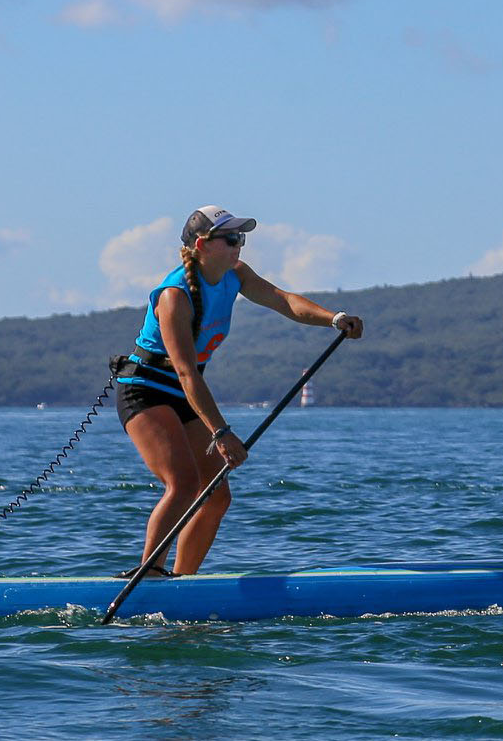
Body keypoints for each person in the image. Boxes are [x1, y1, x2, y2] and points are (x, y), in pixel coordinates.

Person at [114, 206, 364, 577]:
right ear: (202, 244)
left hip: (185, 393)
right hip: (146, 390)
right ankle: (149, 574)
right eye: (230, 239)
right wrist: (221, 431)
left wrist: (334, 318)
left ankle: (184, 583)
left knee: (216, 495)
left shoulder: (235, 274)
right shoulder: (174, 296)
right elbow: (185, 372)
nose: (239, 246)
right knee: (183, 485)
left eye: (241, 238)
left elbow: (284, 300)